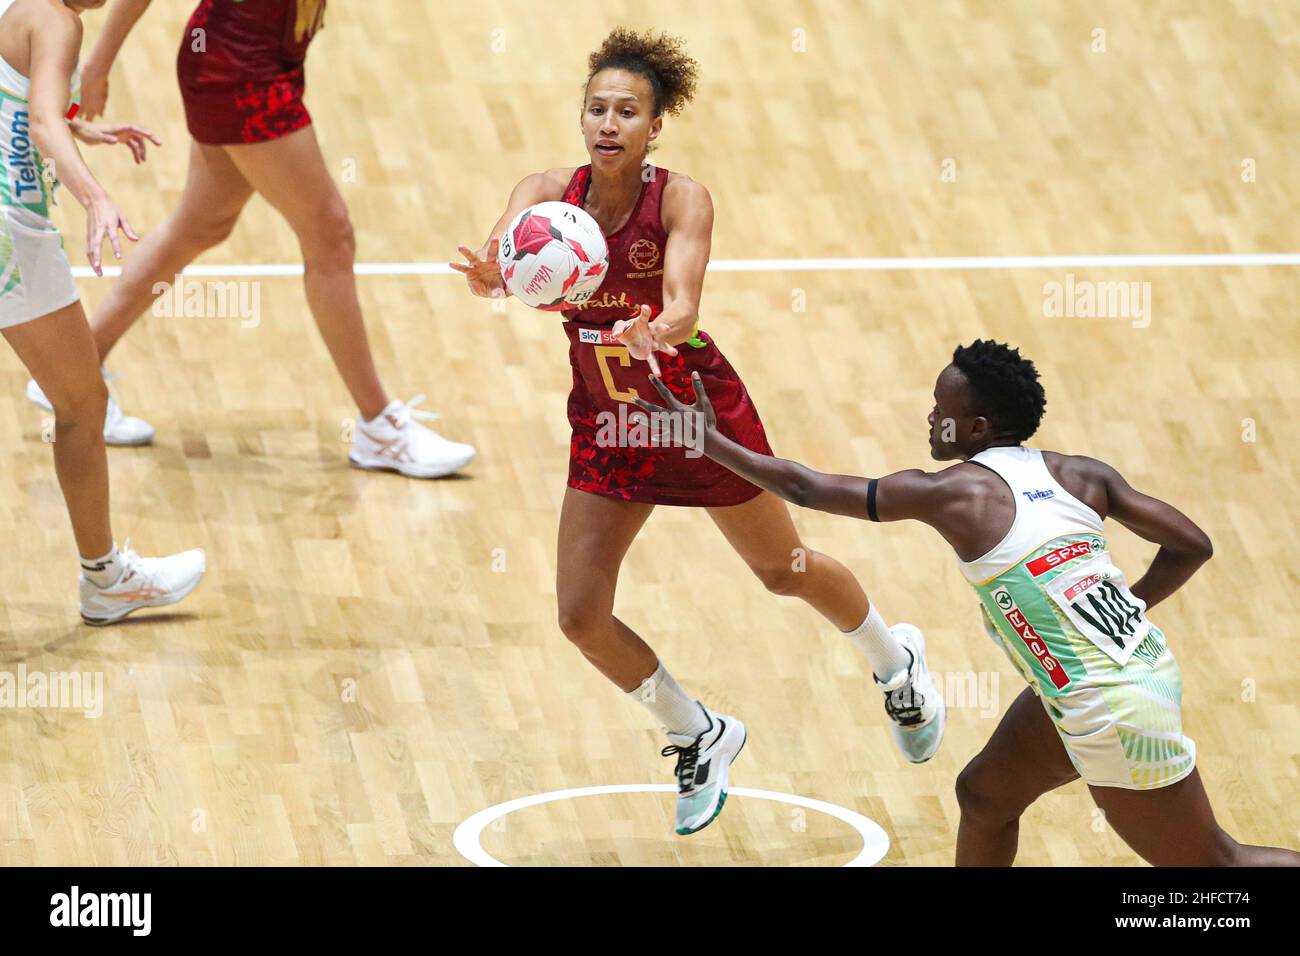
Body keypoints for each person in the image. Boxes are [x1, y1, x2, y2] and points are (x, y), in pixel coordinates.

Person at [451, 28, 944, 836]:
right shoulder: (546, 194)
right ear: (582, 118)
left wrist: (661, 328)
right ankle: (697, 732)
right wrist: (492, 274)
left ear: (655, 126)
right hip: (607, 419)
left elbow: (684, 304)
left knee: (784, 571)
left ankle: (897, 665)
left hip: (693, 414)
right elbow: (507, 251)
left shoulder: (682, 199)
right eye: (597, 109)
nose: (609, 123)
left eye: (627, 111)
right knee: (579, 616)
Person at [636, 339, 1300, 865]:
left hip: (1111, 709)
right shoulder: (1080, 473)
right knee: (983, 797)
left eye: (941, 409)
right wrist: (1126, 606)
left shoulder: (956, 494)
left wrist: (709, 442)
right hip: (1114, 675)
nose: (931, 416)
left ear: (976, 426)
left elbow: (807, 489)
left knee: (1219, 869)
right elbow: (1194, 543)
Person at [26, 0, 475, 478]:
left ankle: (74, 371)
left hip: (266, 56)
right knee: (331, 237)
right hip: (240, 73)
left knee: (202, 223)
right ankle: (379, 428)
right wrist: (99, 63)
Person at [0, 0, 204, 624]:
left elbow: (24, 96)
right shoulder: (60, 21)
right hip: (11, 239)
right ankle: (105, 577)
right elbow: (37, 124)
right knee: (83, 406)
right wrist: (96, 197)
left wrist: (81, 126)